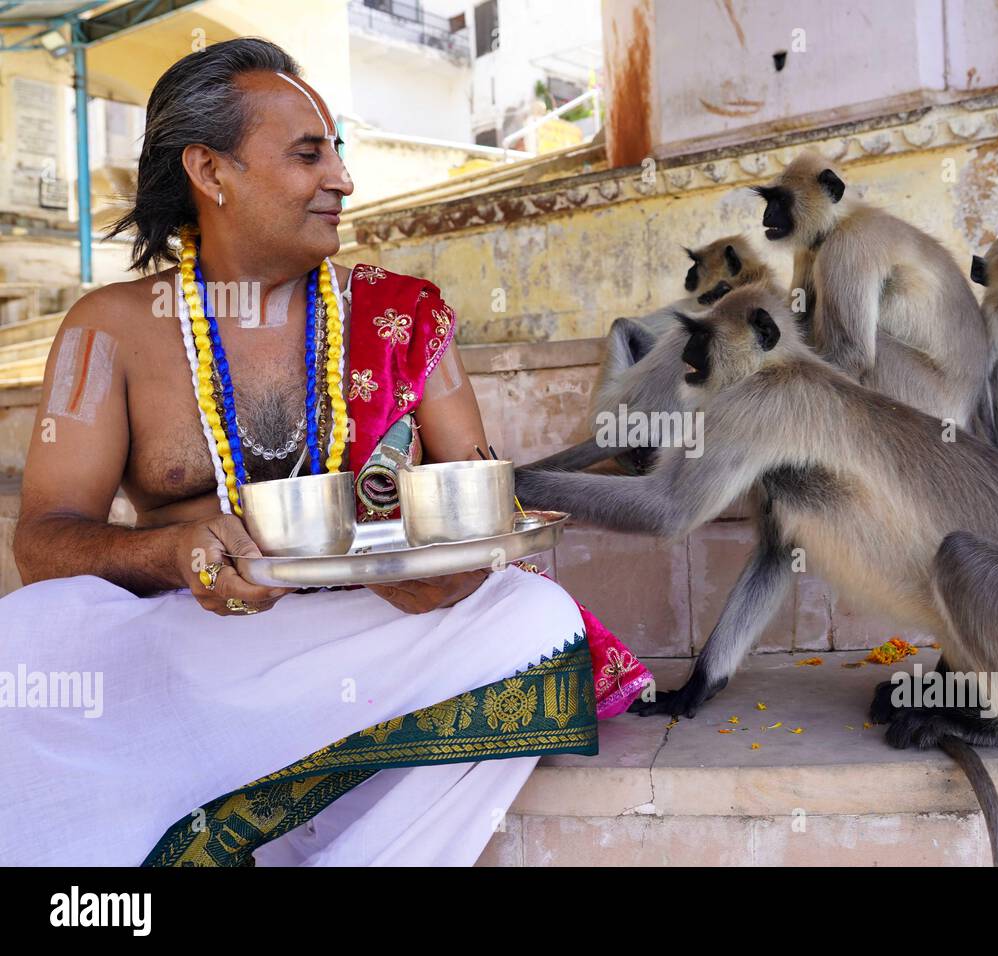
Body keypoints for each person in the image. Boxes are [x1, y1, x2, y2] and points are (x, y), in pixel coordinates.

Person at [0, 37, 642, 867]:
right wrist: (174, 552)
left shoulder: (401, 318)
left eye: (337, 154)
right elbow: (44, 542)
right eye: (309, 155)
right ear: (210, 171)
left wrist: (449, 568)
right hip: (198, 647)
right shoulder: (108, 329)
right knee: (26, 635)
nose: (341, 179)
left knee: (538, 622)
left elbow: (484, 507)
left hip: (368, 637)